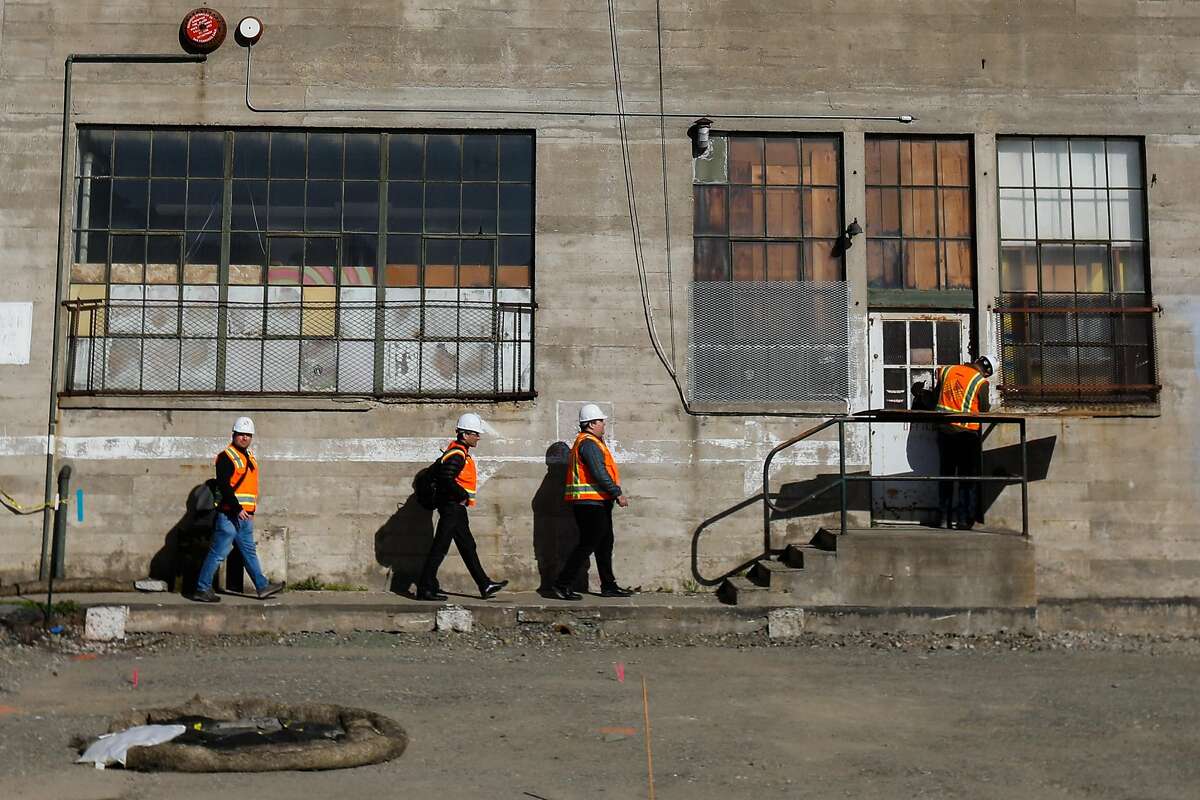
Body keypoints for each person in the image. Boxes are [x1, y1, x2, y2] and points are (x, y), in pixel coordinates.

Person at [415, 413, 508, 601]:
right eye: (475, 434)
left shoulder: (458, 452)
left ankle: (485, 584)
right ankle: (425, 588)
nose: (478, 437)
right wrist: (462, 494)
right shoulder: (457, 455)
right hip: (451, 507)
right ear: (465, 435)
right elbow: (446, 479)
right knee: (440, 547)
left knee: (467, 546)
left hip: (455, 507)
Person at [192, 417, 284, 602]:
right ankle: (201, 588)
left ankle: (262, 586)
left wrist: (246, 511)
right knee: (218, 553)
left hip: (244, 515)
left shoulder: (248, 456)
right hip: (230, 514)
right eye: (241, 434)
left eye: (248, 435)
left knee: (248, 551)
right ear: (234, 434)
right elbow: (224, 486)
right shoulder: (227, 457)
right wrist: (236, 508)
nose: (244, 438)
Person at [550, 404, 635, 600]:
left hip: (597, 502)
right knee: (588, 544)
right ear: (590, 424)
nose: (604, 424)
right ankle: (562, 584)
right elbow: (599, 472)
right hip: (589, 503)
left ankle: (609, 585)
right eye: (600, 421)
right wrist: (617, 493)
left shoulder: (592, 442)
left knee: (605, 544)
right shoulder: (588, 444)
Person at [934, 355, 993, 530]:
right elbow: (984, 409)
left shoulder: (947, 370)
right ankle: (963, 519)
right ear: (987, 372)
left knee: (946, 474)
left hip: (944, 430)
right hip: (966, 434)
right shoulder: (980, 382)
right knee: (966, 478)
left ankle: (943, 518)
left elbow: (936, 396)